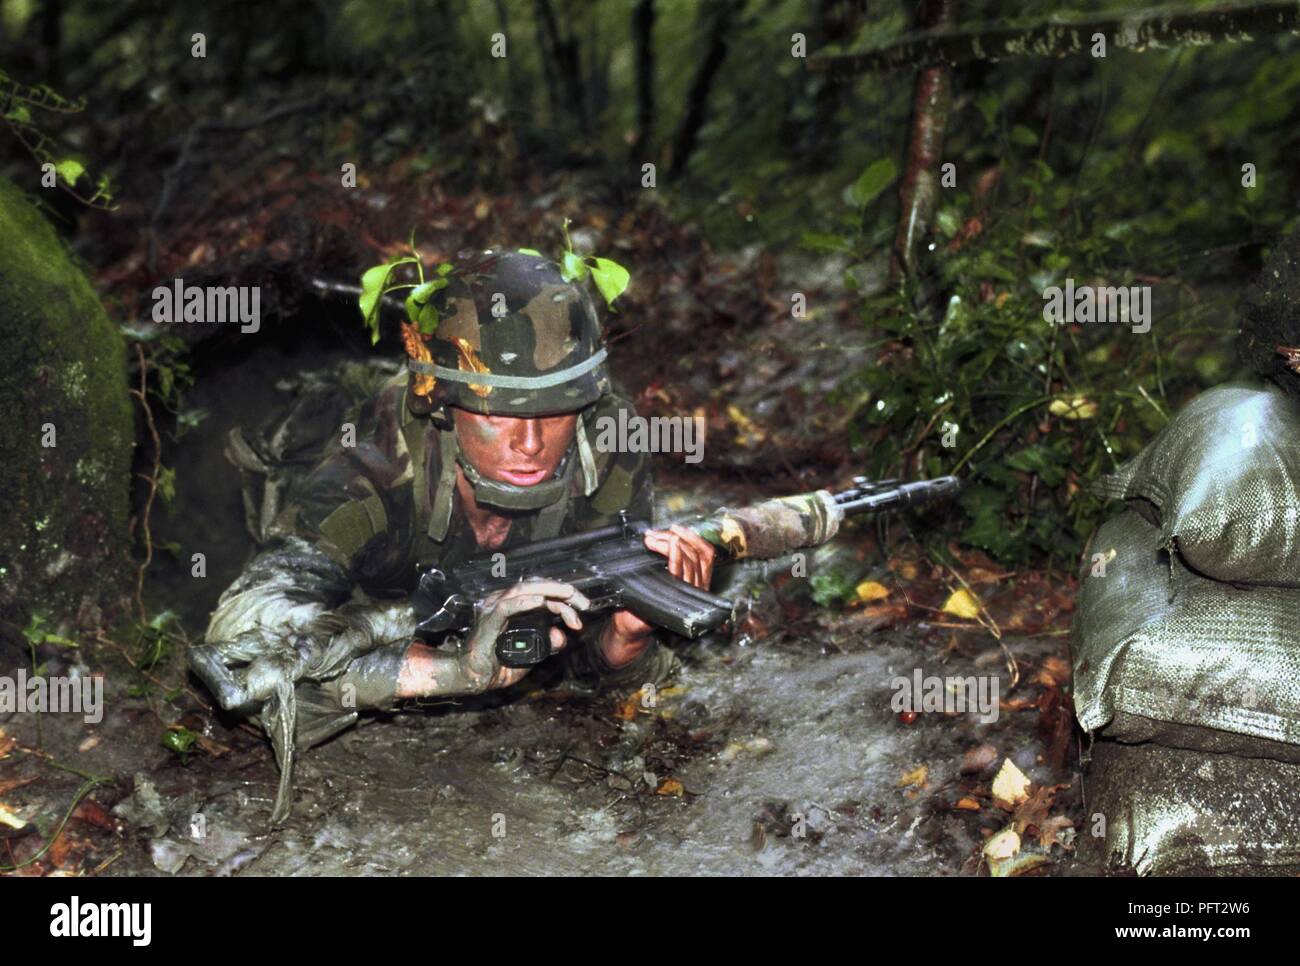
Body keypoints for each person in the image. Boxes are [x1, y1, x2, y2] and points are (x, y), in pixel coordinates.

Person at [191, 249, 716, 821]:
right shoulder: (367, 474)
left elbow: (582, 671)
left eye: (556, 412)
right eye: (498, 414)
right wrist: (452, 672)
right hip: (273, 448)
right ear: (442, 407)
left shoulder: (608, 452)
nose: (531, 444)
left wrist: (626, 643)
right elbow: (246, 628)